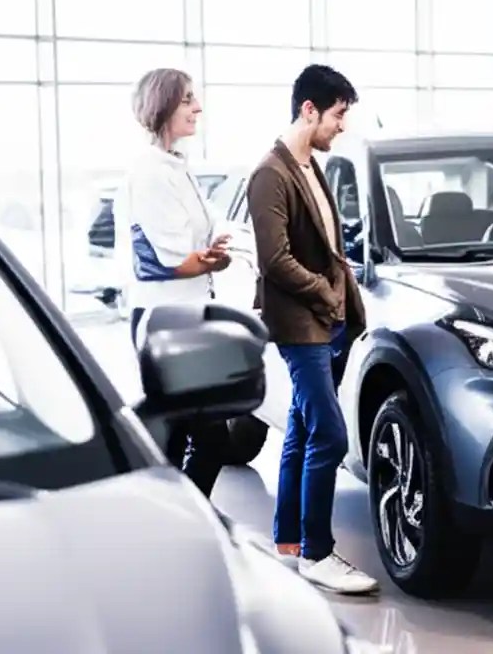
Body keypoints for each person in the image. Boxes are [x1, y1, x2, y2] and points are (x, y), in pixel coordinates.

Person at [246, 64, 378, 595]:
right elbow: (274, 260)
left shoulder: (308, 166)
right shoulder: (271, 175)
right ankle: (319, 553)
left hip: (329, 322)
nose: (341, 126)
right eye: (339, 114)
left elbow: (327, 248)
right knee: (329, 432)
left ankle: (289, 538)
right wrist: (326, 296)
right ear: (309, 110)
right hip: (301, 324)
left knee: (303, 426)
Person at [118, 67, 233, 497]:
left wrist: (209, 253)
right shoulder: (150, 171)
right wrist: (211, 262)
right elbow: (177, 262)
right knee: (208, 439)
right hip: (166, 321)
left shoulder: (174, 165)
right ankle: (187, 519)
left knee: (184, 437)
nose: (197, 107)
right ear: (163, 105)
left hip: (186, 315)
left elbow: (190, 250)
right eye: (187, 99)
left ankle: (181, 518)